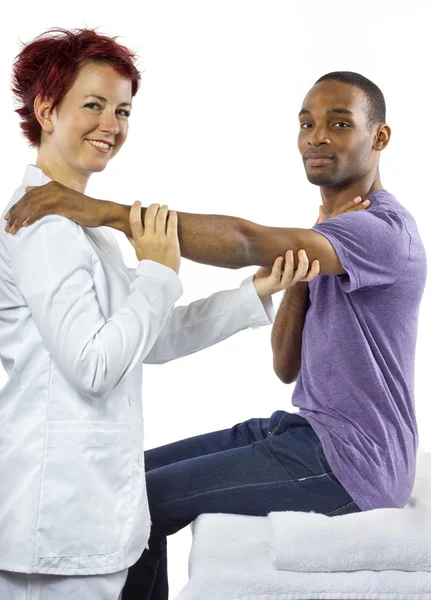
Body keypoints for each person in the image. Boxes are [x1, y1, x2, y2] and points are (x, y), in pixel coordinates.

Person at [9, 70, 424, 600]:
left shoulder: (383, 231)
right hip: (302, 431)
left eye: (339, 123)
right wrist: (300, 272)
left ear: (379, 137)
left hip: (352, 463)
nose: (316, 136)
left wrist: (100, 211)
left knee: (142, 503)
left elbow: (245, 239)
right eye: (306, 123)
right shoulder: (331, 235)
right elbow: (286, 366)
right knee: (127, 477)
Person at [0, 28, 313, 600]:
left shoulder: (83, 227)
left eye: (122, 110)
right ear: (46, 109)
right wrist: (159, 272)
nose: (112, 126)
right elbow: (94, 364)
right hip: (57, 524)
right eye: (92, 105)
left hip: (87, 518)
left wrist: (253, 292)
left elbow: (152, 338)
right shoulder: (44, 227)